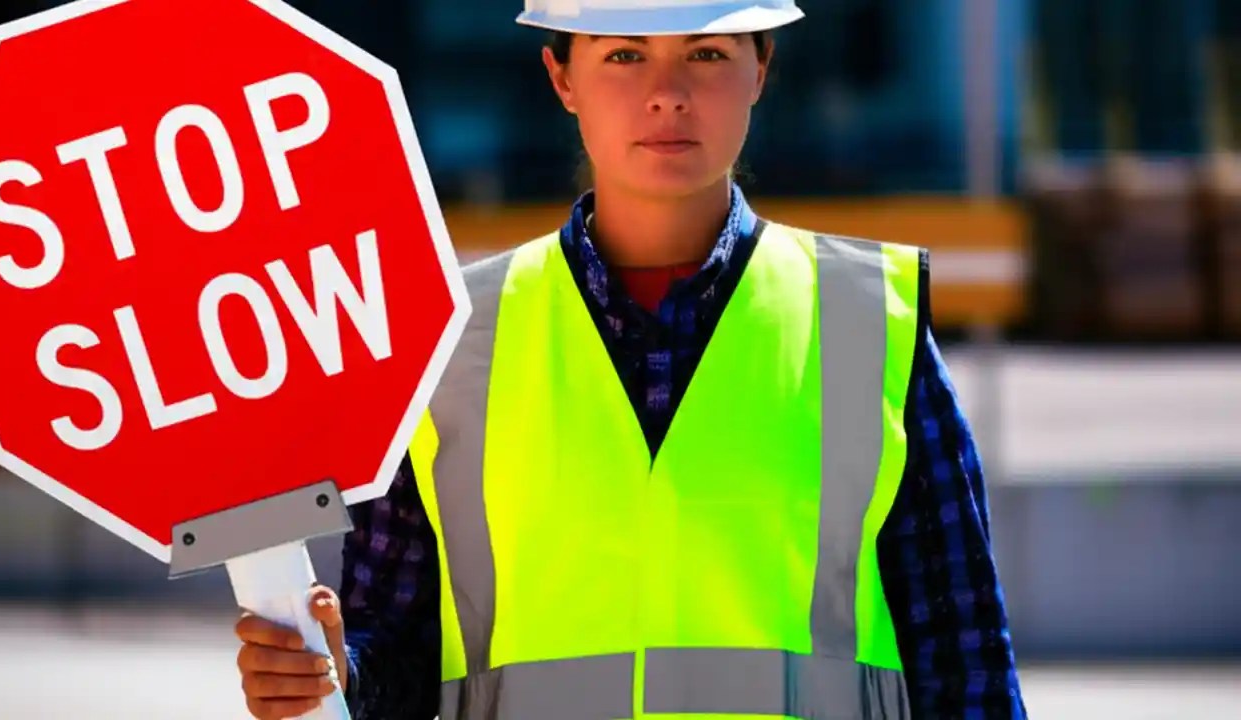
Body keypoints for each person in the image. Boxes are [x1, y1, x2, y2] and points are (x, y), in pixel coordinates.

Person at [233, 1, 1028, 718]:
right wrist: (331, 674)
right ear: (561, 77)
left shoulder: (869, 324)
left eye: (706, 53)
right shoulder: (451, 343)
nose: (667, 93)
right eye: (623, 54)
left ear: (761, 67)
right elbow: (393, 660)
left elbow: (968, 670)